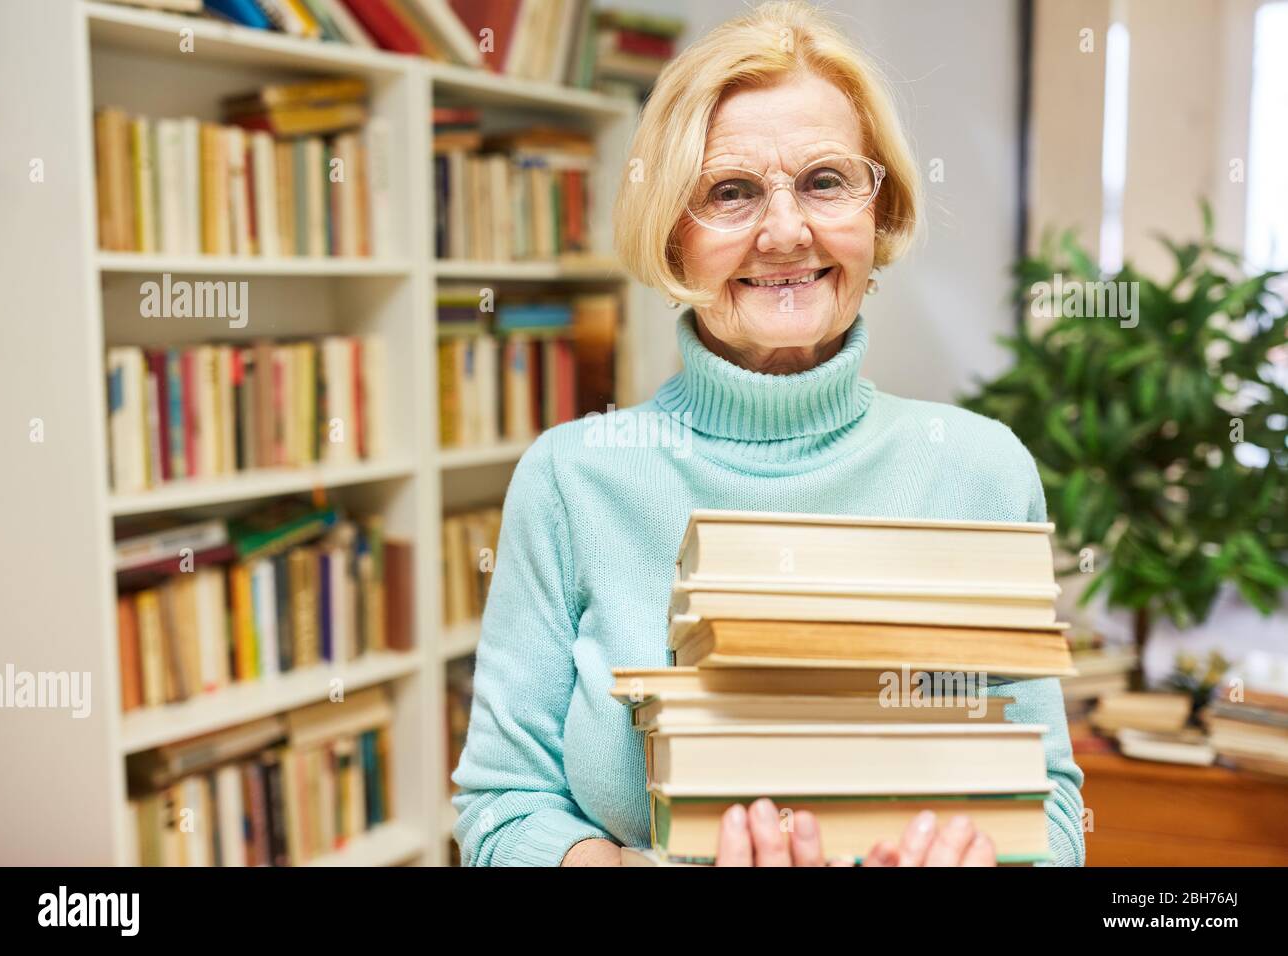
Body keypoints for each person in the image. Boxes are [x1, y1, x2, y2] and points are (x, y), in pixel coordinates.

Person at [452, 0, 1085, 867]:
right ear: (673, 230)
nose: (786, 232)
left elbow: (1052, 814)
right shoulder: (571, 479)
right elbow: (501, 809)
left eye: (826, 181)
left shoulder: (981, 471)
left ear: (879, 207)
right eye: (731, 191)